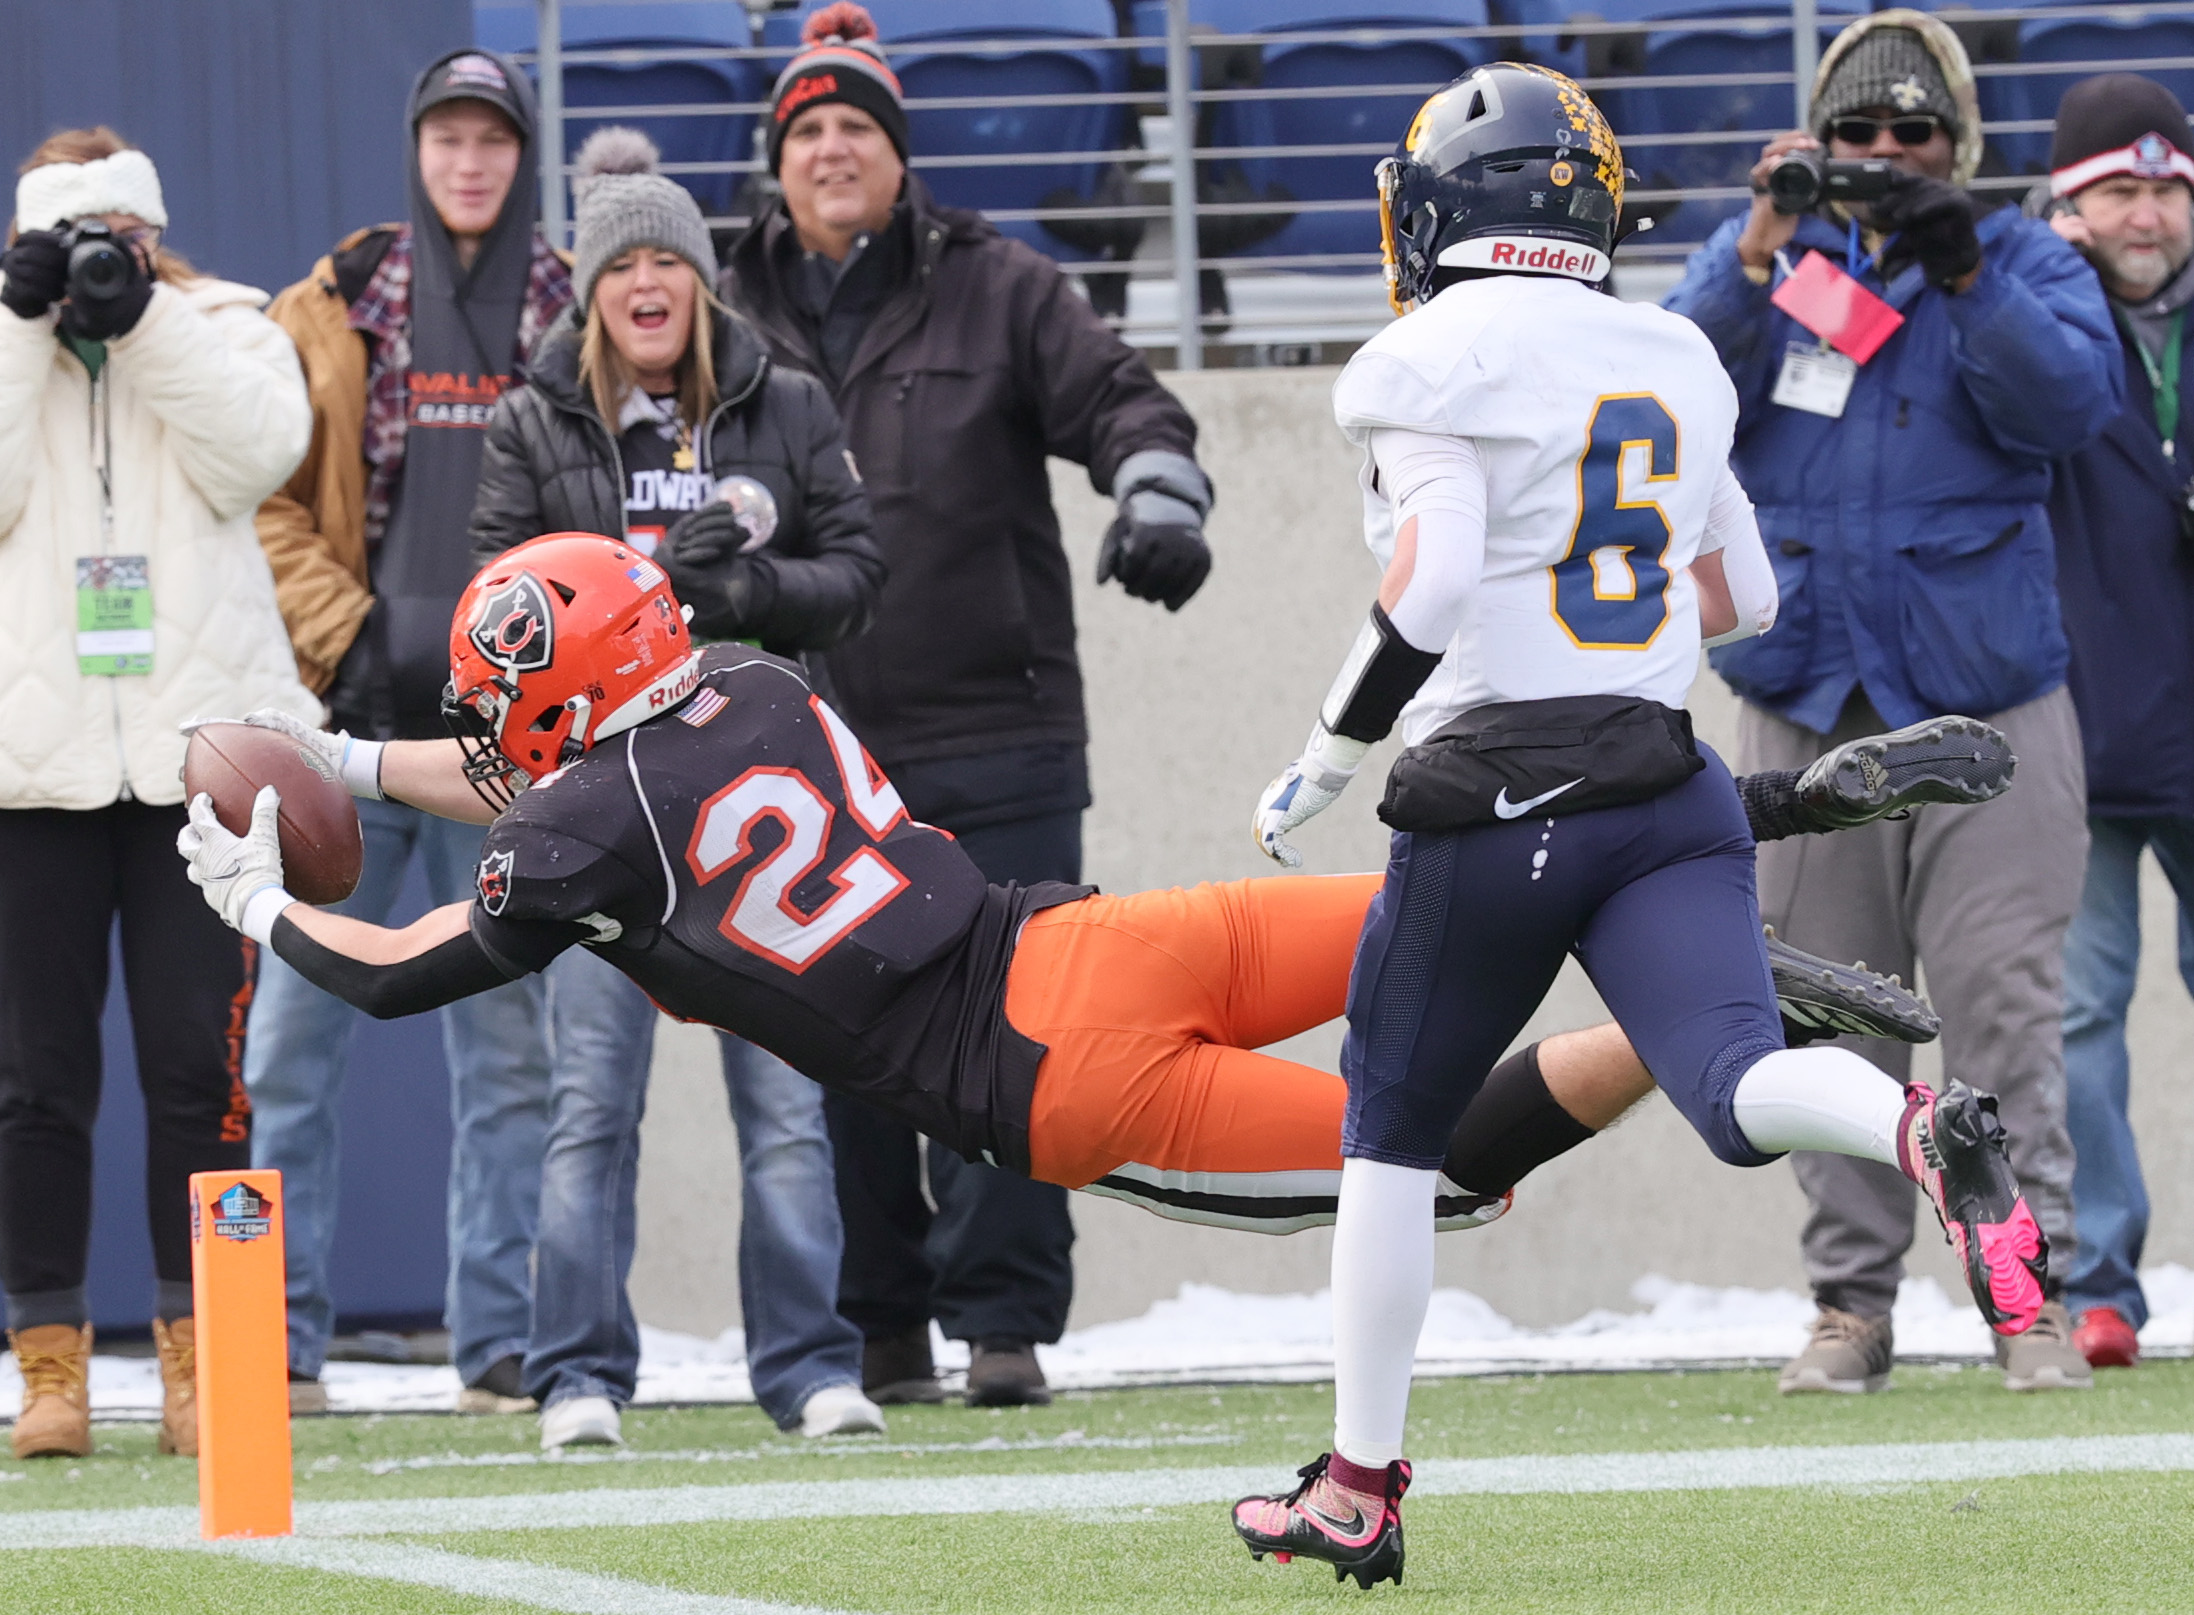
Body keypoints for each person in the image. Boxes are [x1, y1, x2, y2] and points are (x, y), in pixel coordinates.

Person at [175, 533, 2021, 1400]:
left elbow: (412, 958)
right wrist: (338, 764)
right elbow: (553, 779)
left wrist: (268, 906)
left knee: (1437, 1171)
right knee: (1470, 884)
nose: (493, 730)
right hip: (1098, 939)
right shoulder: (746, 682)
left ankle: (1716, 1008)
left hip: (1051, 1083)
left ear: (564, 690)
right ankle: (1757, 831)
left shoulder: (584, 830)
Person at [1230, 65, 2049, 1589]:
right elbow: (1746, 600)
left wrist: (1325, 754)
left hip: (1492, 788)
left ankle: (1355, 1484)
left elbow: (1427, 583)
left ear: (1439, 207)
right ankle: (1918, 1128)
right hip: (1660, 783)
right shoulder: (1671, 348)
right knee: (1735, 1089)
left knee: (1390, 1142)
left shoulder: (1418, 359)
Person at [719, 3, 1217, 1408]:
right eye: (806, 129)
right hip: (802, 746)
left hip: (997, 730)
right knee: (844, 1042)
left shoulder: (1001, 286)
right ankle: (879, 1327)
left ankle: (1004, 1325)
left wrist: (1160, 499)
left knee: (1021, 1026)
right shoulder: (723, 303)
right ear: (778, 157)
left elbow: (1128, 406)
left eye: (855, 129)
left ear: (896, 157)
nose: (830, 151)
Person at [1661, 8, 2123, 1394]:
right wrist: (1754, 246)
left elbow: (2065, 408)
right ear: (1813, 139)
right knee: (1829, 1023)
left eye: (1909, 131)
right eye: (1852, 131)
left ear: (1956, 142)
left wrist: (1962, 263)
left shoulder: (2024, 256)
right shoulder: (1777, 262)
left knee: (2001, 1009)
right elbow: (1665, 389)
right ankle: (1848, 1308)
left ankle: (2022, 1300)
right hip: (1811, 705)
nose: (1879, 152)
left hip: (1986, 708)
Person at [468, 128, 886, 1447]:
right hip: (607, 810)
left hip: (762, 802)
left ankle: (813, 1368)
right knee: (590, 1107)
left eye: (667, 259)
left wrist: (747, 591)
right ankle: (577, 1380)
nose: (644, 281)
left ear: (701, 281)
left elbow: (861, 580)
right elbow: (497, 620)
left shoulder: (787, 401)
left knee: (785, 1108)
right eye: (619, 264)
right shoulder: (532, 420)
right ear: (588, 290)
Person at [248, 48, 583, 1421]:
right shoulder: (328, 308)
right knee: (287, 1051)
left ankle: (495, 1344)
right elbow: (263, 507)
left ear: (518, 156)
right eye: (447, 135)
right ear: (416, 150)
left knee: (507, 1059)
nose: (469, 160)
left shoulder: (574, 311)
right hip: (347, 745)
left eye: (492, 139)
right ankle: (277, 1344)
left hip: (508, 770)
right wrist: (358, 633)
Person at [0, 127, 313, 1458]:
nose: (93, 271)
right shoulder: (4, 342)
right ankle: (51, 1371)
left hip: (201, 767)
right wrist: (22, 330)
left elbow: (260, 458)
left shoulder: (228, 328)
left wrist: (144, 325)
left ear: (151, 237)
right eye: (70, 246)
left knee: (208, 1079)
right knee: (33, 1083)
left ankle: (212, 1364)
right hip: (32, 774)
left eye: (115, 244)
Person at [2038, 74, 2194, 1372]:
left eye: (2164, 186)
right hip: (2079, 729)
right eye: (2116, 190)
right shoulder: (2029, 317)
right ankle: (2096, 1284)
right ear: (2064, 203)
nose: (2144, 214)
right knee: (2079, 1020)